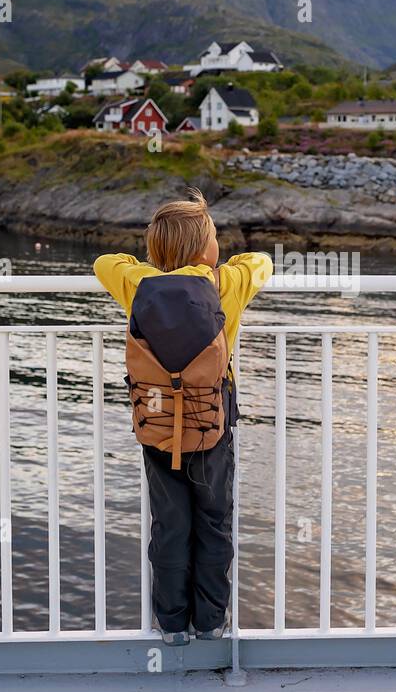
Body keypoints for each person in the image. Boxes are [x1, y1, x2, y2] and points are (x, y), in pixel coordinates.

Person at [94, 188, 272, 645]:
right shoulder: (224, 284)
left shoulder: (138, 285)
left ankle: (172, 626)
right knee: (213, 521)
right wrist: (222, 267)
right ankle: (210, 623)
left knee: (170, 523)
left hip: (156, 424)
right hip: (211, 423)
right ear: (204, 248)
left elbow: (104, 264)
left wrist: (150, 266)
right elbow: (261, 263)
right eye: (213, 236)